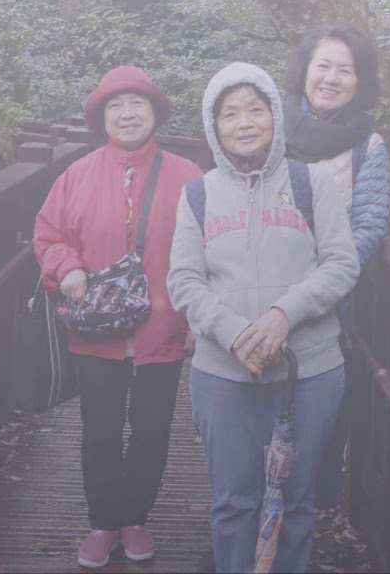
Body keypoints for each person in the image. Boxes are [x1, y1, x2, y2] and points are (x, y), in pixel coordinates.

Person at [168, 62, 360, 574]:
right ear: (214, 126)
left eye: (256, 109)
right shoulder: (198, 194)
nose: (244, 123)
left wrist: (283, 314)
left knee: (296, 501)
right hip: (224, 375)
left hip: (309, 371)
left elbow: (342, 263)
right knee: (234, 502)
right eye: (230, 113)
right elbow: (183, 280)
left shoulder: (312, 183)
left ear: (275, 114)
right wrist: (235, 334)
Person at [33, 65, 203, 569]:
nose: (127, 114)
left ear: (155, 113)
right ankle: (104, 521)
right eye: (115, 106)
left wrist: (197, 319)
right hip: (96, 330)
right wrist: (66, 267)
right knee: (100, 429)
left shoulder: (188, 176)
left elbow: (210, 250)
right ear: (101, 118)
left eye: (137, 104)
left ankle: (136, 517)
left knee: (152, 429)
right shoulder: (76, 175)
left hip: (164, 328)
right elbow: (48, 235)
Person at [281, 22, 390, 512]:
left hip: (328, 308)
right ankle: (248, 527)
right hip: (256, 294)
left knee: (312, 422)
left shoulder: (368, 147)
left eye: (345, 70)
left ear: (360, 81)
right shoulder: (267, 124)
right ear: (304, 69)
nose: (331, 78)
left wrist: (320, 283)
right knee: (253, 416)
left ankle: (301, 520)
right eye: (322, 65)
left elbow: (368, 227)